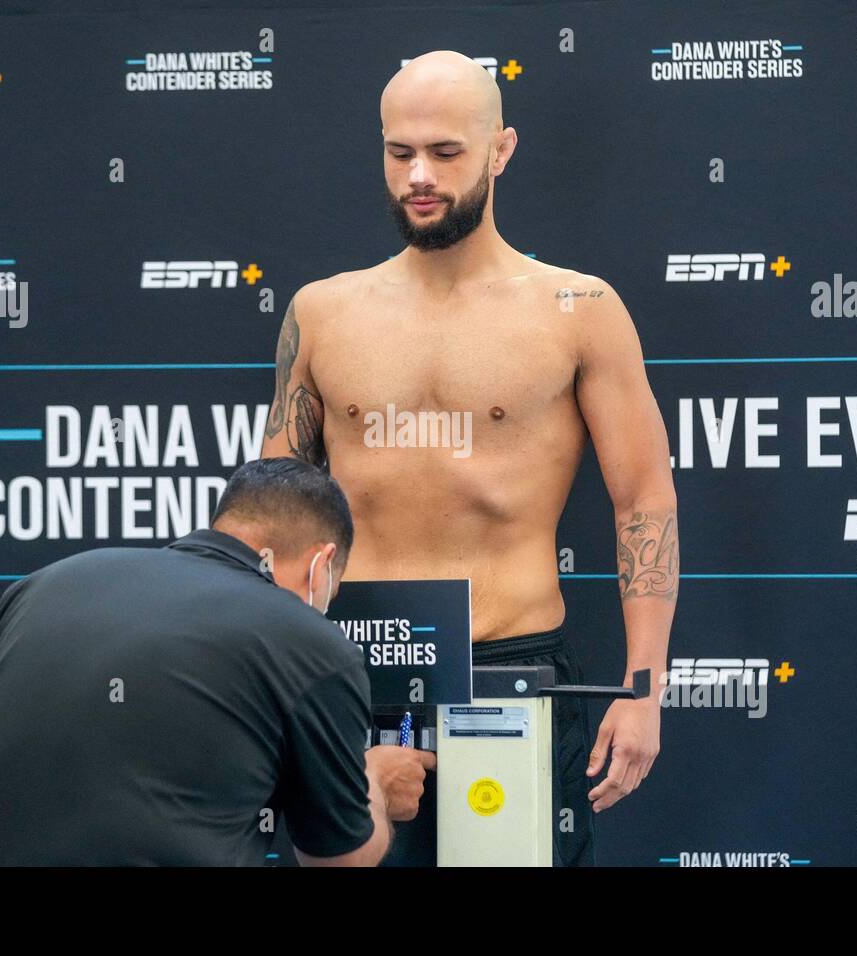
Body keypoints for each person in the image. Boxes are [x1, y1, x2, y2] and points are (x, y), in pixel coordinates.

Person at [260, 51, 678, 866]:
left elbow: (644, 500)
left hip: (513, 670)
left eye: (446, 153)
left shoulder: (578, 311)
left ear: (501, 149)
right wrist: (272, 683)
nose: (419, 175)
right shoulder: (322, 312)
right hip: (355, 672)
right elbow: (275, 516)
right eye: (399, 152)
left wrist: (644, 689)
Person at [0, 456, 434, 866]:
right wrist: (373, 784)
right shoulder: (313, 642)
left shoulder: (49, 582)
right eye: (331, 588)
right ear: (324, 561)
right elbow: (336, 859)